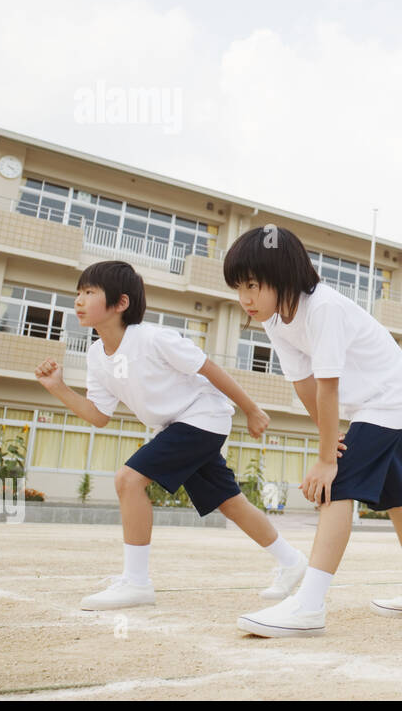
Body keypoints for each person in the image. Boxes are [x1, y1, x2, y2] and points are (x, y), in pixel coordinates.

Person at [33, 260, 307, 611]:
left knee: (128, 480)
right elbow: (99, 416)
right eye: (78, 293)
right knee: (229, 501)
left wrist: (251, 409)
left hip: (202, 417)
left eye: (89, 293)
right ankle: (291, 560)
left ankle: (136, 582)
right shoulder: (96, 356)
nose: (79, 301)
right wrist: (58, 388)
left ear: (121, 303)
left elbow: (209, 368)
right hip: (176, 426)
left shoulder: (153, 338)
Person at [226, 225, 402, 637]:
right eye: (240, 287)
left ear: (284, 276)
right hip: (367, 405)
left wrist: (329, 458)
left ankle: (309, 606)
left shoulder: (321, 307)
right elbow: (304, 384)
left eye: (253, 285)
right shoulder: (274, 320)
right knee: (398, 500)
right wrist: (334, 437)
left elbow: (328, 383)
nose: (245, 299)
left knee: (336, 487)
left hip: (387, 396)